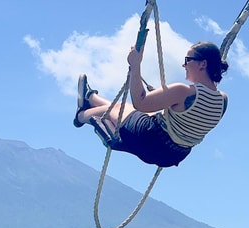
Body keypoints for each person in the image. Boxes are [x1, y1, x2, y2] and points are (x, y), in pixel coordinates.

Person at [74, 41, 229, 168]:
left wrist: (135, 65)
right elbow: (190, 119)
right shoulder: (223, 100)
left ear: (202, 64)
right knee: (126, 108)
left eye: (187, 60)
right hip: (172, 156)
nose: (184, 65)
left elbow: (140, 102)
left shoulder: (183, 91)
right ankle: (90, 97)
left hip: (149, 139)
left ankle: (81, 115)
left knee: (120, 108)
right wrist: (165, 98)